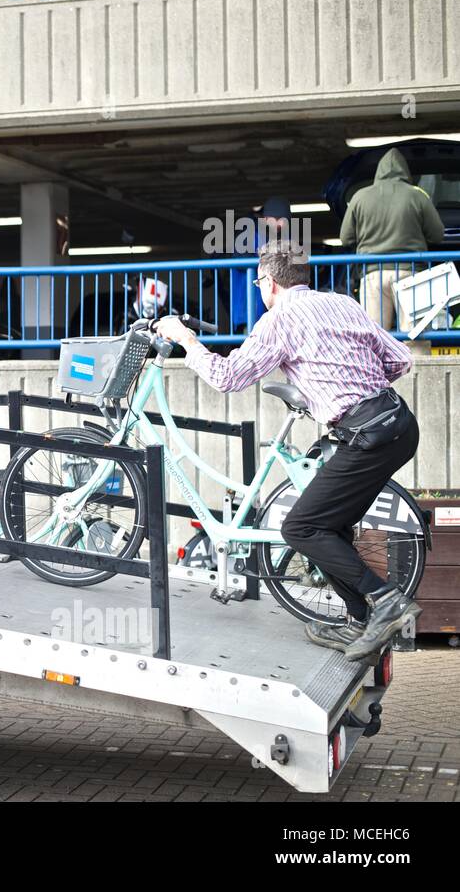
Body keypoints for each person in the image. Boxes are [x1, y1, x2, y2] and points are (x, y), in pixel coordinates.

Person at [154, 242, 420, 662]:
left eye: (259, 280)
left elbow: (228, 377)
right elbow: (401, 361)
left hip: (366, 436)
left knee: (301, 529)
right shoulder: (342, 303)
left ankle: (386, 601)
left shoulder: (278, 319)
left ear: (270, 282)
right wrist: (356, 386)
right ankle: (356, 621)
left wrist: (187, 340)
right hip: (398, 425)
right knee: (329, 526)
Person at [339, 148, 446, 330]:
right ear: (405, 171)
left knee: (376, 339)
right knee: (416, 337)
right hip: (410, 272)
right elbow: (437, 235)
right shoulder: (417, 195)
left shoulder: (360, 197)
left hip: (373, 273)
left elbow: (345, 238)